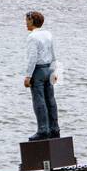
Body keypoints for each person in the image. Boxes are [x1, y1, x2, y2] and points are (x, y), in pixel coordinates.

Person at [23, 10, 60, 141]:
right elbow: (53, 53)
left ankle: (43, 130)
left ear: (32, 21)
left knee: (39, 101)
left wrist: (28, 76)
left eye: (27, 21)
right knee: (51, 100)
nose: (25, 23)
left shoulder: (32, 37)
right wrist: (55, 71)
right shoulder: (48, 34)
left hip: (38, 71)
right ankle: (55, 129)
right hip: (49, 69)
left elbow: (32, 58)